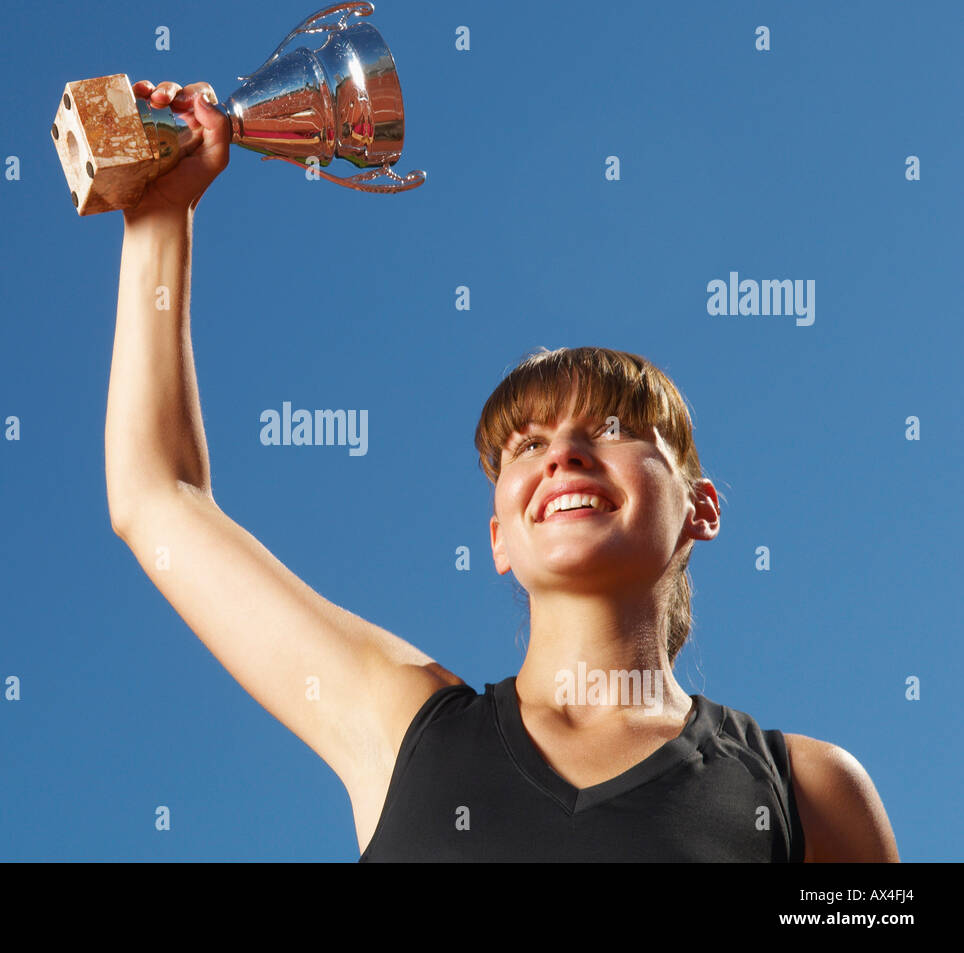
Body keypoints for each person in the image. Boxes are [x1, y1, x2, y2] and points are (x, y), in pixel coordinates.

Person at [105, 78, 900, 862]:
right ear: (498, 536)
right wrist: (160, 218)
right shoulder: (401, 725)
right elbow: (158, 498)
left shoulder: (805, 794)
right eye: (527, 445)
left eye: (615, 428)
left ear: (702, 507)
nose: (563, 453)